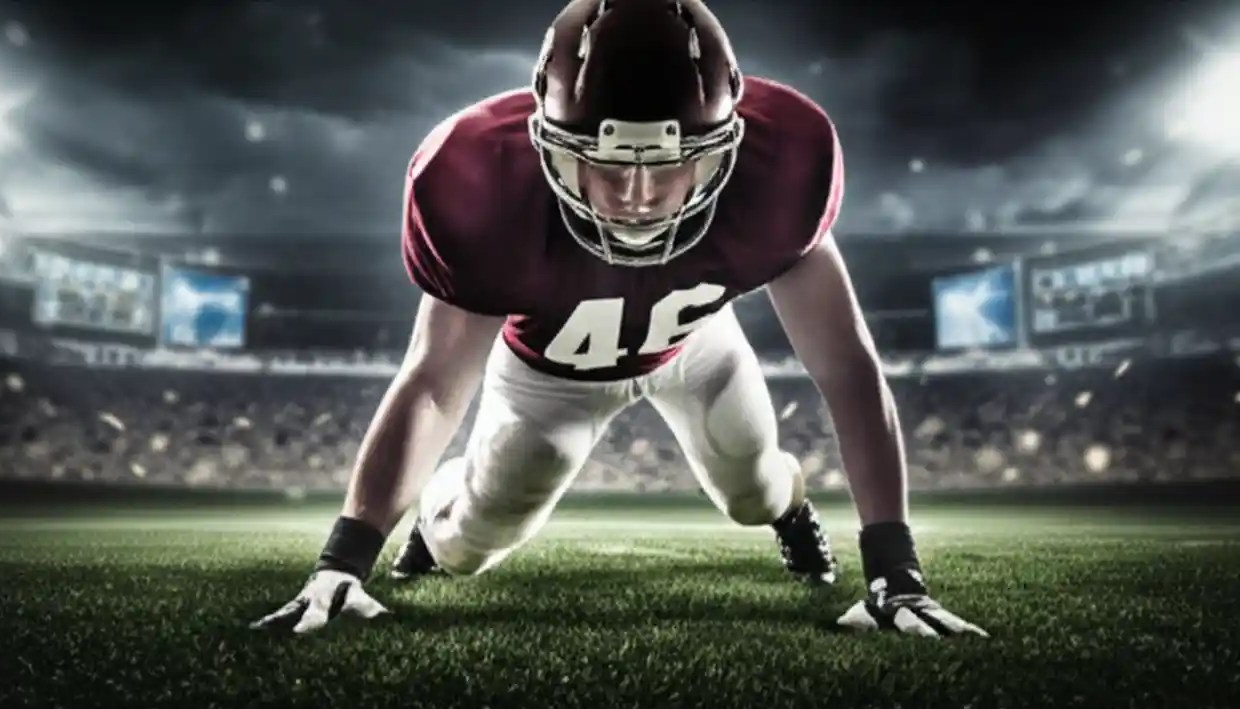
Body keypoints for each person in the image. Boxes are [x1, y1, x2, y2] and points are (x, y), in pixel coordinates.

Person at [252, 0, 986, 639]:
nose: (637, 195)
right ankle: (438, 509)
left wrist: (895, 568)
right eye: (606, 164)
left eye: (668, 165)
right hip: (545, 378)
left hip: (693, 347)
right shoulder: (475, 187)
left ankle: (791, 514)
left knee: (755, 490)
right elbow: (436, 383)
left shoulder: (780, 171)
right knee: (469, 543)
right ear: (547, 146)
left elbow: (847, 369)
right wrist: (344, 560)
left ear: (726, 150)